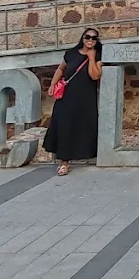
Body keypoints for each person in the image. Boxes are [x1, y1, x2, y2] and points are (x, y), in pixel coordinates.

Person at [44, 28, 102, 175]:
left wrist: (91, 58)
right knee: (65, 126)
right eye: (87, 37)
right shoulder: (70, 54)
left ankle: (85, 155)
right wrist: (52, 84)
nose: (90, 40)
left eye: (93, 38)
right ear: (82, 38)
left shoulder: (98, 55)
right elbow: (61, 69)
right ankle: (64, 162)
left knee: (83, 126)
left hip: (85, 98)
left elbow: (95, 76)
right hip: (67, 97)